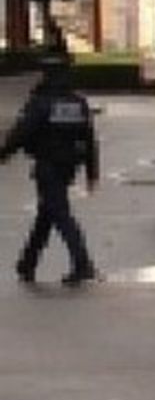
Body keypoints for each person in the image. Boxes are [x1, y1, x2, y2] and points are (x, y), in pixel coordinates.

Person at [0, 55, 99, 284]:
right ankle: (27, 263)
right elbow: (89, 138)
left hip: (47, 165)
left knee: (60, 214)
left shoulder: (41, 102)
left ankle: (82, 263)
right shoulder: (77, 102)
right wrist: (91, 172)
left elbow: (22, 132)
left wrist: (4, 154)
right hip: (69, 166)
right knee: (47, 214)